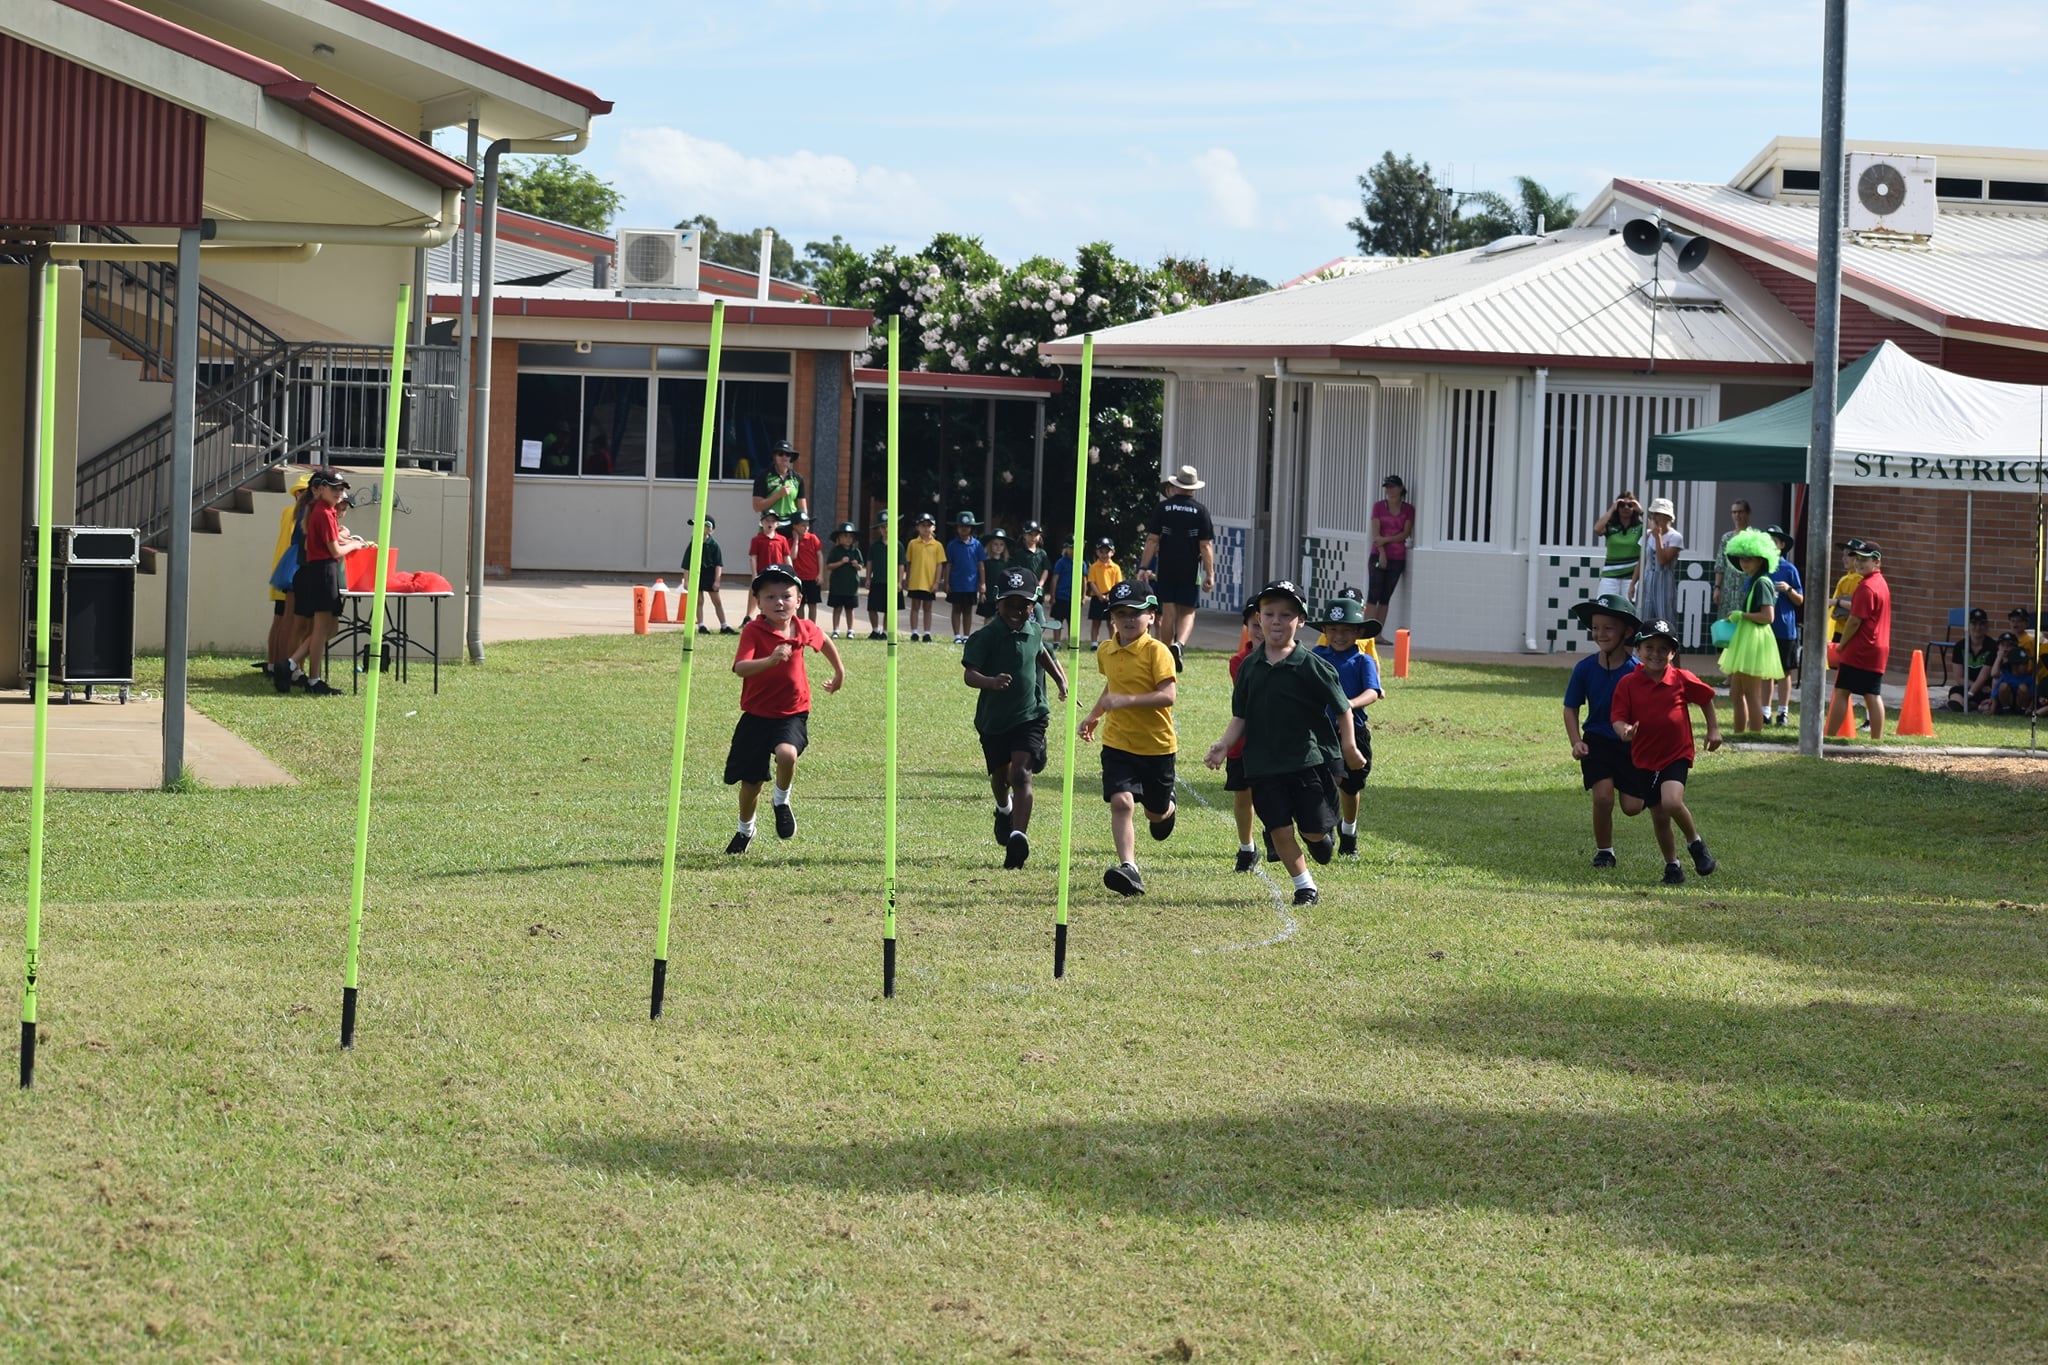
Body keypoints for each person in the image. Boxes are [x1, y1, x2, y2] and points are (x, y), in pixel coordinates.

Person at [1201, 579, 1367, 908]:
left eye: (1286, 615)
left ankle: (1320, 838)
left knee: (1314, 832)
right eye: (1270, 614)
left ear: (1301, 621)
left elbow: (1343, 708)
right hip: (1262, 765)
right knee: (1278, 829)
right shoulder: (1249, 667)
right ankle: (1304, 886)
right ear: (1258, 619)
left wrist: (1349, 747)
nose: (1277, 621)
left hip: (1307, 762)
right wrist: (1223, 745)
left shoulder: (1312, 665)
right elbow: (1241, 715)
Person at [723, 563, 845, 854]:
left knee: (787, 753)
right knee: (751, 785)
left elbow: (823, 639)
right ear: (759, 603)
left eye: (786, 595)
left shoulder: (804, 628)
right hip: (755, 716)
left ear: (798, 600)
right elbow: (740, 668)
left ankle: (781, 800)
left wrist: (839, 672)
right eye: (770, 596)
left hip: (792, 712)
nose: (779, 602)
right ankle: (745, 830)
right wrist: (770, 660)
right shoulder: (753, 631)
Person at [963, 567, 1069, 870]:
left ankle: (1018, 837)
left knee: (1021, 773)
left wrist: (1060, 680)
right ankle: (1003, 808)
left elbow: (1041, 654)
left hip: (1031, 715)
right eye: (1010, 604)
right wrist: (990, 681)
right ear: (998, 603)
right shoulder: (985, 636)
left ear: (1032, 604)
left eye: (1024, 605)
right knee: (1001, 777)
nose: (1017, 611)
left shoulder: (1034, 628)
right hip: (993, 720)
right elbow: (970, 674)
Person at [1077, 581, 1179, 897]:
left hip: (1157, 746)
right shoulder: (1107, 650)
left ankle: (1168, 808)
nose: (1128, 619)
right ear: (1112, 619)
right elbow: (1112, 686)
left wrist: (1126, 701)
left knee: (1155, 814)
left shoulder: (1157, 651)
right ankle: (1129, 868)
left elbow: (1168, 695)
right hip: (1118, 743)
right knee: (1121, 802)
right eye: (1121, 614)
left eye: (1135, 613)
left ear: (1151, 616)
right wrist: (1094, 715)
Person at [1609, 618, 1721, 885]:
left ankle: (1696, 844)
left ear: (1673, 653)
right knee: (1659, 816)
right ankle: (1672, 865)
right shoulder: (1628, 683)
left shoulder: (1681, 679)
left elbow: (1706, 698)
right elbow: (1618, 717)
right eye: (1649, 647)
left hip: (1676, 753)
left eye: (1663, 649)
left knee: (1671, 802)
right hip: (1645, 758)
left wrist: (1713, 730)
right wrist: (1624, 731)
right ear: (1638, 650)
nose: (1655, 654)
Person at [1561, 593, 1644, 870]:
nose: (1600, 634)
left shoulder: (1638, 672)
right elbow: (1570, 708)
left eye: (1608, 628)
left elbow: (1650, 710)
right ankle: (1605, 852)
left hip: (1630, 744)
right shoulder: (1584, 669)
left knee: (1632, 807)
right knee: (1603, 796)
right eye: (1595, 628)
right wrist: (1575, 742)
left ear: (1627, 631)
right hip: (1596, 741)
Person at [275, 470, 362, 696]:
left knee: (329, 628)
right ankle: (312, 679)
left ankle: (291, 664)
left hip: (321, 570)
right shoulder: (322, 512)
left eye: (342, 489)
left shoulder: (321, 511)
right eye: (334, 488)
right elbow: (335, 549)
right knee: (321, 629)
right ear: (319, 489)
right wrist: (355, 545)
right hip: (323, 571)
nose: (339, 493)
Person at [1310, 597, 1383, 858]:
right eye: (1333, 630)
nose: (1338, 636)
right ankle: (1326, 826)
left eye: (1345, 630)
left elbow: (1373, 692)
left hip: (1354, 732)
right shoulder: (1317, 656)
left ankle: (1349, 830)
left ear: (1358, 632)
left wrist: (1349, 704)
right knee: (1323, 780)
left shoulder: (1363, 661)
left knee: (1350, 787)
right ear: (1325, 632)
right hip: (1321, 730)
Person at [1139, 465, 1216, 671]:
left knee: (1169, 608)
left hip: (1166, 566)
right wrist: (1210, 573)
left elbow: (1153, 539)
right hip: (1190, 567)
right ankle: (1179, 645)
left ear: (1176, 485)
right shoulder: (1201, 511)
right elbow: (1205, 545)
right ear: (1193, 487)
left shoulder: (1163, 508)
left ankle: (1166, 654)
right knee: (1189, 611)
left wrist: (1143, 566)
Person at [1715, 528, 1784, 736]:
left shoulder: (1762, 582)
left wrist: (1741, 615)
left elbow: (1768, 617)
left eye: (1750, 559)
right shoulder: (1753, 580)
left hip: (1754, 640)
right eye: (1742, 559)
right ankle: (1739, 733)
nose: (1745, 563)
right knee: (1736, 693)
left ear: (1761, 560)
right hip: (1747, 637)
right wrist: (1739, 615)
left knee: (1751, 693)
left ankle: (1755, 734)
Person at [1825, 539, 1891, 741]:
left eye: (1865, 560)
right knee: (1871, 693)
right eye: (1858, 559)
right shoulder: (1881, 583)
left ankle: (1828, 736)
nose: (1859, 563)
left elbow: (1854, 621)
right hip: (1877, 647)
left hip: (1861, 648)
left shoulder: (1866, 587)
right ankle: (1876, 740)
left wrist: (1842, 645)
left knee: (1842, 690)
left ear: (1877, 562)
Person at [1222, 599, 1264, 872]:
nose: (1261, 630)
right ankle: (1247, 847)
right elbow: (1251, 701)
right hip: (1244, 741)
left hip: (1275, 743)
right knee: (1242, 796)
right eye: (1255, 625)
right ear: (1246, 628)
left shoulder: (1296, 657)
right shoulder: (1239, 662)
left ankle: (1274, 835)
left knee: (1273, 795)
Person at [264, 471, 313, 673]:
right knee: (290, 622)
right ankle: (286, 664)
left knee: (279, 620)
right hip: (293, 570)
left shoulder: (288, 511)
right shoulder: (302, 513)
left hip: (281, 568)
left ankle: (273, 663)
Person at [1764, 525, 1804, 725]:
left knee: (1784, 671)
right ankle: (1765, 712)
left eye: (1774, 542)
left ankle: (1783, 711)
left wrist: (1788, 590)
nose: (1771, 545)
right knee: (1766, 671)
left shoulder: (1789, 569)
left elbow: (1800, 600)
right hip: (1764, 629)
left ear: (1781, 546)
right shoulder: (1760, 567)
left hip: (1785, 628)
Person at [1365, 474, 1415, 626]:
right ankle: (1366, 631)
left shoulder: (1408, 509)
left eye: (1392, 487)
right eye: (1387, 487)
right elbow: (1376, 533)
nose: (1390, 490)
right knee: (1373, 594)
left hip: (1397, 556)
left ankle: (1378, 633)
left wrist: (1386, 540)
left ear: (1401, 488)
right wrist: (1382, 553)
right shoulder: (1379, 506)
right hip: (1378, 554)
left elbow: (1405, 533)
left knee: (1386, 596)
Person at [1633, 496, 1683, 624]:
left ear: (1668, 517)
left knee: (1665, 619)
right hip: (1647, 580)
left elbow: (1663, 560)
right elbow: (1641, 561)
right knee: (1644, 618)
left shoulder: (1675, 537)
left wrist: (1658, 537)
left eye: (1660, 514)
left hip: (1664, 580)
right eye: (1655, 514)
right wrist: (1633, 583)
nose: (1656, 517)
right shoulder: (1647, 534)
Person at [681, 515, 733, 635]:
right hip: (697, 575)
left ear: (710, 528)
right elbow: (686, 563)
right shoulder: (693, 543)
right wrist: (686, 580)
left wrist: (717, 580)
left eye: (701, 526)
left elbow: (718, 564)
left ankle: (724, 625)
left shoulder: (714, 545)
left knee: (717, 601)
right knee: (699, 601)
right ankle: (701, 625)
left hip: (710, 575)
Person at [901, 512, 944, 642]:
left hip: (929, 581)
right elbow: (909, 562)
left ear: (934, 528)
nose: (926, 528)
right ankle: (914, 631)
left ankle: (926, 632)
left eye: (928, 526)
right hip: (916, 580)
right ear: (918, 527)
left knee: (927, 608)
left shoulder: (937, 546)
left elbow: (939, 565)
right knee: (915, 606)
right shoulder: (913, 544)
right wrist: (907, 579)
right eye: (923, 525)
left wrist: (937, 582)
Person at [744, 511, 791, 627]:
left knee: (777, 596)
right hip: (763, 573)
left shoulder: (782, 539)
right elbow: (753, 557)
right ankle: (759, 619)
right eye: (767, 520)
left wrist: (790, 572)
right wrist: (754, 573)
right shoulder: (757, 539)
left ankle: (776, 620)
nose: (770, 523)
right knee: (763, 596)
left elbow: (786, 557)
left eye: (773, 521)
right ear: (762, 523)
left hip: (778, 574)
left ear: (777, 524)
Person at [945, 511, 985, 644]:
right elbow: (949, 565)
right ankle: (957, 635)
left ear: (971, 528)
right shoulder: (952, 545)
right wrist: (946, 582)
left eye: (967, 526)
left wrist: (982, 583)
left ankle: (966, 636)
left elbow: (981, 565)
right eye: (961, 526)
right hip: (956, 583)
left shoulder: (977, 545)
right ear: (957, 528)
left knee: (968, 610)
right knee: (956, 609)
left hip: (971, 584)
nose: (964, 529)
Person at [1592, 491, 1644, 588]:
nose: (1626, 508)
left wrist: (1642, 512)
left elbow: (1654, 531)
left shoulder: (1640, 527)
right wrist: (1612, 508)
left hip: (1631, 579)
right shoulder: (1610, 526)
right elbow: (1597, 529)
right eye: (1622, 505)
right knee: (1604, 603)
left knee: (1629, 603)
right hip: (1609, 577)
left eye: (1630, 505)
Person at [1713, 498, 1754, 619]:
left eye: (1740, 512)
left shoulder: (1754, 537)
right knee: (1726, 622)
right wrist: (1717, 588)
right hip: (1728, 589)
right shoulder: (1727, 538)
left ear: (1748, 513)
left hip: (1746, 586)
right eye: (1734, 512)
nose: (1737, 515)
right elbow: (1720, 564)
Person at [824, 522, 864, 639]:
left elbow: (861, 566)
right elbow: (829, 566)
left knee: (849, 609)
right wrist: (841, 562)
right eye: (845, 536)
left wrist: (857, 565)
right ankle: (836, 629)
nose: (848, 539)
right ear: (839, 538)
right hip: (837, 585)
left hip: (851, 586)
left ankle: (850, 630)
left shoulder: (856, 551)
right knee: (837, 608)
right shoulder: (835, 551)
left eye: (851, 536)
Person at [1951, 608, 1996, 712]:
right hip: (1968, 685)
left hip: (1986, 687)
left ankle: (1968, 704)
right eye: (1974, 623)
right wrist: (1973, 686)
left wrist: (1975, 690)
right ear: (1969, 625)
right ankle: (1964, 704)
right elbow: (1958, 678)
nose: (1978, 627)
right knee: (1955, 691)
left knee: (1988, 696)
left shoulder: (1992, 646)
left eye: (1981, 624)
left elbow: (1984, 676)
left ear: (1986, 626)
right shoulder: (1960, 646)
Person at [750, 439, 807, 522]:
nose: (784, 457)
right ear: (774, 457)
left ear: (791, 457)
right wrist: (779, 495)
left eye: (787, 454)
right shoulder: (763, 476)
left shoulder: (797, 478)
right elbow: (757, 507)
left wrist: (803, 526)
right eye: (780, 454)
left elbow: (802, 508)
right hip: (771, 526)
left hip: (791, 526)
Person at [1084, 537, 1122, 644]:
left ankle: (1114, 642)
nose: (1104, 554)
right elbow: (1091, 582)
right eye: (1101, 551)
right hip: (1097, 596)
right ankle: (1094, 643)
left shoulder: (1115, 567)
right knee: (1096, 621)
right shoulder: (1094, 567)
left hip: (1111, 596)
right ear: (1097, 552)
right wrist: (1100, 595)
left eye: (1107, 552)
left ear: (1112, 552)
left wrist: (1110, 595)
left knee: (1112, 622)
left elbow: (1118, 584)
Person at [788, 511, 823, 622]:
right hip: (799, 577)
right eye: (802, 525)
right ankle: (801, 625)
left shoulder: (813, 538)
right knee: (800, 604)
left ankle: (812, 626)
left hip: (812, 577)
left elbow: (819, 556)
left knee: (813, 603)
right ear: (795, 526)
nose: (806, 527)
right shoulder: (790, 541)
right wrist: (796, 541)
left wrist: (820, 574)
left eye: (807, 525)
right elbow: (792, 556)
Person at [865, 512, 894, 641]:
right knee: (873, 607)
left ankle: (886, 631)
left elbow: (901, 564)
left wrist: (899, 581)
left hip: (891, 581)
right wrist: (867, 578)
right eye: (883, 527)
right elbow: (870, 562)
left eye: (888, 526)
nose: (886, 529)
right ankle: (875, 630)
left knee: (889, 608)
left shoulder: (896, 544)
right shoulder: (875, 545)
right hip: (877, 580)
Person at [1992, 631, 2036, 714]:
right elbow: (1994, 675)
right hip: (2008, 699)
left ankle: (2022, 710)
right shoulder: (2005, 674)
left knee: (2023, 687)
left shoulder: (2028, 678)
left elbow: (2033, 696)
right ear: (2015, 666)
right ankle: (2006, 709)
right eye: (2023, 664)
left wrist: (2030, 708)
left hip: (2022, 702)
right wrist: (1992, 709)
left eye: (2009, 645)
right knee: (2003, 685)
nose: (2005, 648)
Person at [978, 527, 1011, 619]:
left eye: (1001, 545)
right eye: (995, 544)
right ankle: (987, 633)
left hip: (1002, 594)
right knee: (988, 617)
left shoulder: (1007, 563)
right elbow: (982, 578)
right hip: (989, 594)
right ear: (990, 545)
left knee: (1001, 617)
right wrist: (982, 593)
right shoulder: (986, 562)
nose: (998, 547)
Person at [1015, 520, 1052, 602]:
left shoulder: (1042, 553)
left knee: (1038, 611)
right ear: (1024, 535)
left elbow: (1046, 570)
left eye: (1036, 535)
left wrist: (1040, 583)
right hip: (1024, 589)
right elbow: (1017, 570)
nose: (1033, 537)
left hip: (1038, 589)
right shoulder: (1019, 553)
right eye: (1030, 534)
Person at [1048, 537, 1076, 643]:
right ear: (1066, 549)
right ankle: (1057, 642)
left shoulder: (1082, 563)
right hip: (1061, 596)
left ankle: (1071, 642)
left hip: (1073, 598)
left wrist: (1082, 597)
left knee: (1072, 622)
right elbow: (1055, 579)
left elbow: (1084, 580)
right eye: (1071, 548)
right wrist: (1053, 596)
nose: (1074, 550)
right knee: (1058, 621)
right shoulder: (1061, 562)